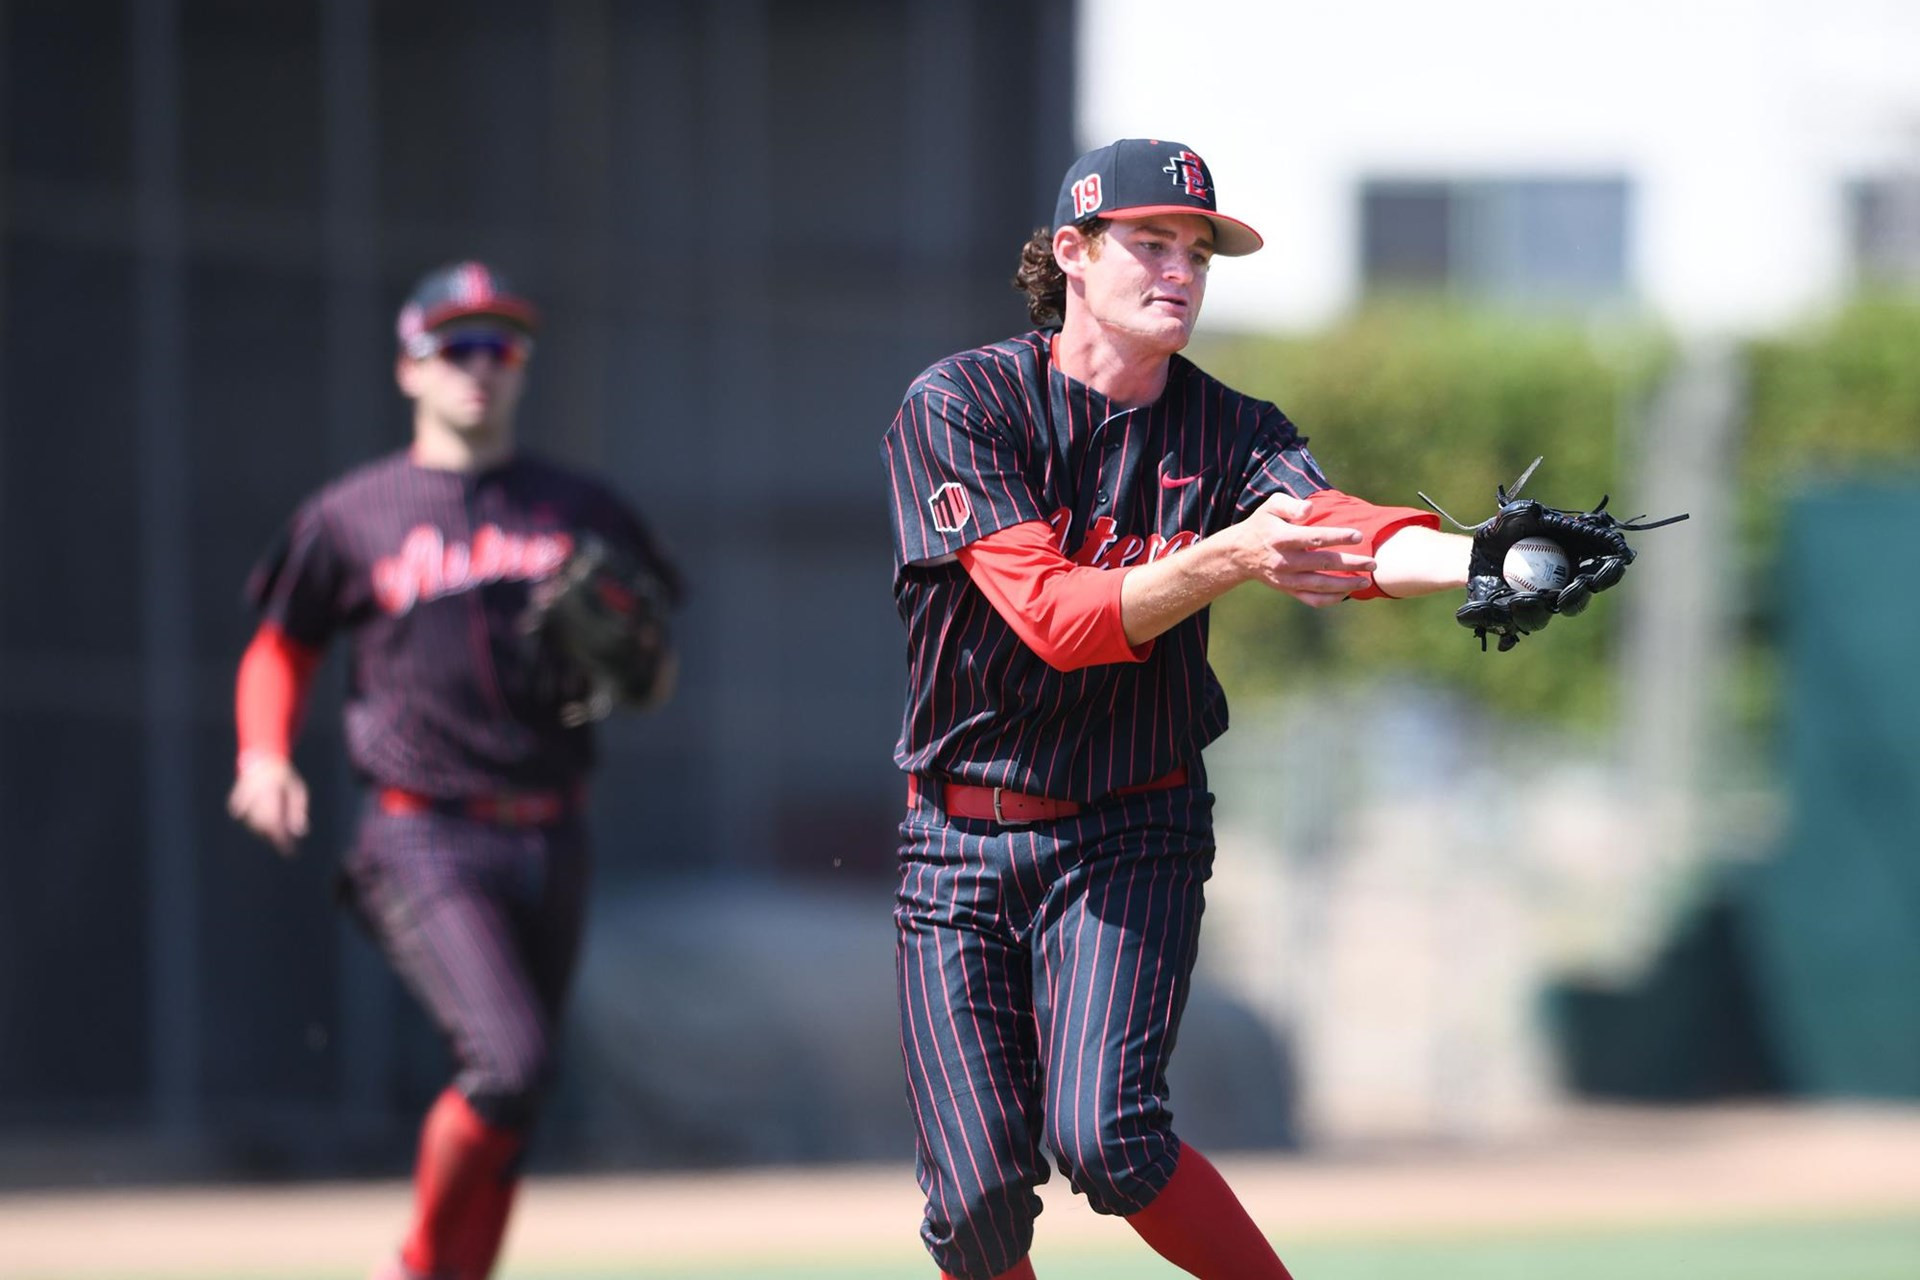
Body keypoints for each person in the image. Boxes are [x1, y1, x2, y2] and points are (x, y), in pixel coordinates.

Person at [880, 139, 1482, 1280]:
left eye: (1198, 249)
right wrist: (1226, 556)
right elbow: (1057, 620)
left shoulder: (1234, 430)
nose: (1181, 269)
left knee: (1108, 1134)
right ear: (1072, 253)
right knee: (974, 1201)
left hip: (1129, 824)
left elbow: (1335, 531)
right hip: (955, 839)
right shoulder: (961, 405)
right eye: (1150, 242)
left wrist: (1485, 559)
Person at [227, 261, 682, 1280]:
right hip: (422, 826)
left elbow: (654, 646)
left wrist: (642, 660)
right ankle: (418, 1261)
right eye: (457, 346)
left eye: (502, 346)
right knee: (508, 1060)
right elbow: (281, 643)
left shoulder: (580, 504)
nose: (482, 366)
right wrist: (264, 752)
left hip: (554, 824)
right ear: (410, 367)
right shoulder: (356, 512)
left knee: (518, 1097)